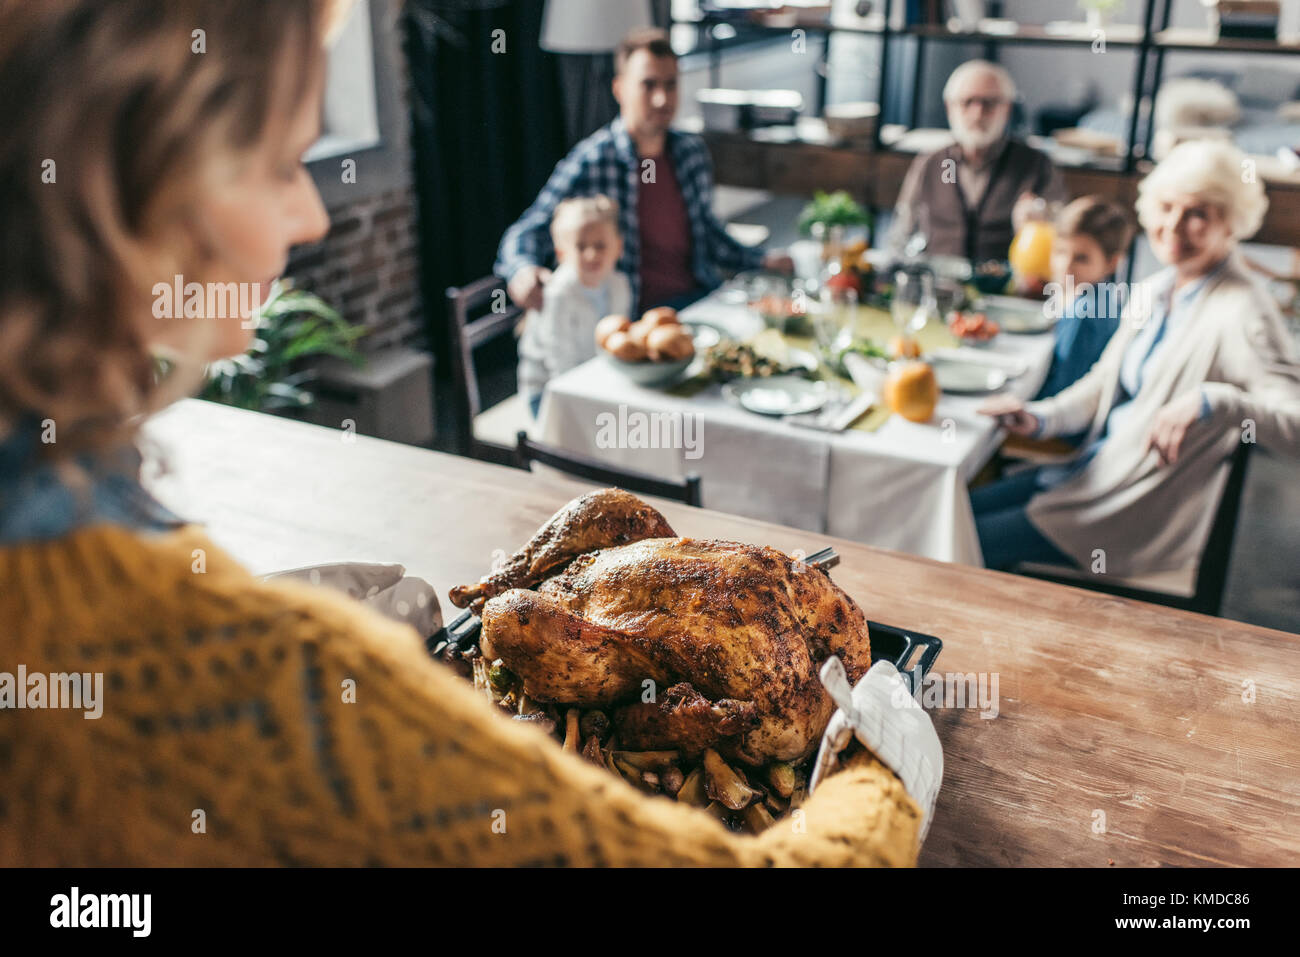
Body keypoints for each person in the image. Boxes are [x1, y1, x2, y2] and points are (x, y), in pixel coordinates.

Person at [0, 0, 927, 866]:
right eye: (284, 164)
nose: (313, 213)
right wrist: (886, 757)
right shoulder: (182, 665)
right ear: (129, 189)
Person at [974, 140, 1300, 574]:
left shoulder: (1243, 310)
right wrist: (1039, 418)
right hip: (1086, 473)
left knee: (957, 537)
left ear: (1232, 224)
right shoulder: (1156, 288)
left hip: (1125, 514)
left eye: (1199, 213)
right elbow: (1102, 383)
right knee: (953, 513)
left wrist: (1214, 402)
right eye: (1167, 207)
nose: (1175, 225)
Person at [495, 27, 793, 317]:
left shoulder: (691, 153)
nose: (662, 99)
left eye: (670, 84)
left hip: (701, 302)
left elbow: (709, 235)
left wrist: (762, 260)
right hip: (632, 318)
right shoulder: (593, 161)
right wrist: (522, 269)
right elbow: (527, 231)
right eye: (648, 85)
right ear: (619, 88)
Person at [890, 60, 1067, 264]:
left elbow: (1061, 237)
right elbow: (900, 234)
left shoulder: (1036, 165)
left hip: (1005, 286)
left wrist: (1038, 224)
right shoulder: (931, 162)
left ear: (1007, 109)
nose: (977, 114)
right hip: (939, 281)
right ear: (950, 108)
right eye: (967, 102)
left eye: (989, 103)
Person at [517, 195, 629, 419]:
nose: (591, 254)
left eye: (600, 246)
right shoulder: (558, 295)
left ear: (618, 247)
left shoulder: (620, 285)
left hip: (597, 384)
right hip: (549, 394)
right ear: (562, 253)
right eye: (581, 246)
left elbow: (617, 345)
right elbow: (560, 366)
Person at [1035, 196, 1135, 405]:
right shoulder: (1092, 296)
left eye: (1081, 258)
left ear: (1112, 263)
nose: (1066, 265)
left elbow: (1063, 392)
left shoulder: (1087, 313)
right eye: (1060, 252)